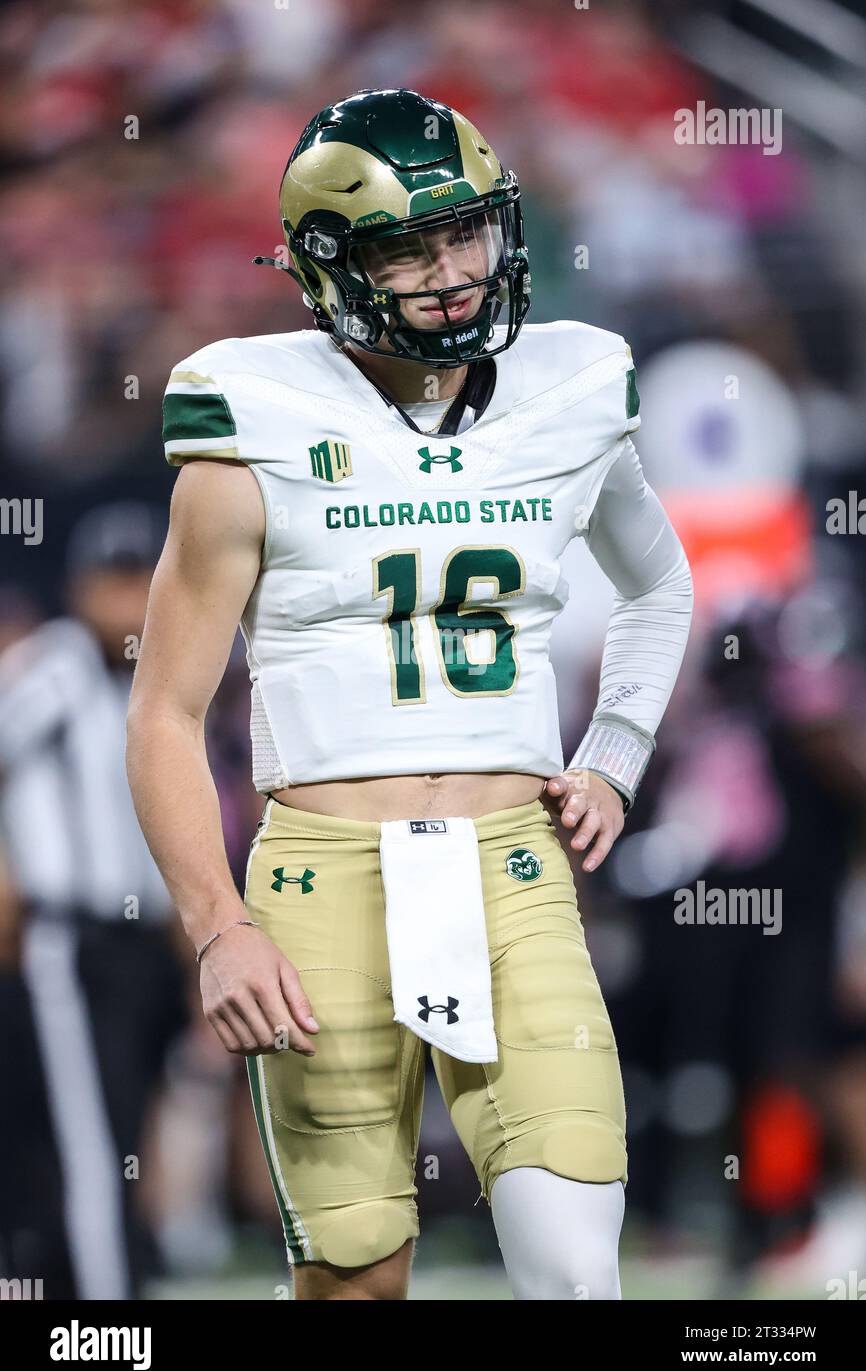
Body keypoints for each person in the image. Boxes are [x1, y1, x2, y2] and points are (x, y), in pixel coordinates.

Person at [127, 88, 693, 1300]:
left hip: (512, 866)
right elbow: (166, 710)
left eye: (464, 233)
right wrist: (219, 927)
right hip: (319, 877)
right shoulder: (250, 414)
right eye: (403, 245)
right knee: (353, 1279)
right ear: (333, 264)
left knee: (573, 1270)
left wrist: (615, 749)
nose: (447, 271)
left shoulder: (574, 383)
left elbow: (658, 586)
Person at [0, 502, 189, 1299]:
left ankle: (106, 1293)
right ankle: (110, 1317)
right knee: (89, 1142)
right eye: (112, 583)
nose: (126, 603)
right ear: (79, 588)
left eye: (139, 582)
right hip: (69, 942)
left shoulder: (159, 678)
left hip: (143, 948)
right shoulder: (57, 667)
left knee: (125, 1131)